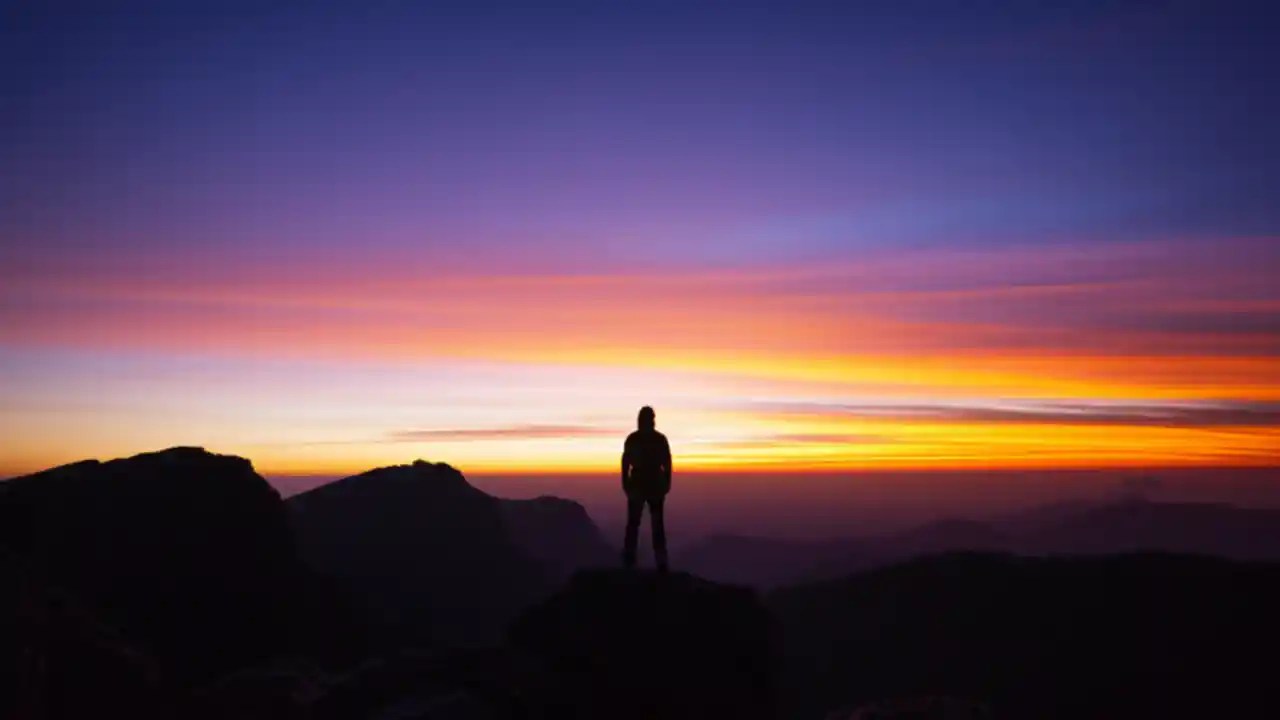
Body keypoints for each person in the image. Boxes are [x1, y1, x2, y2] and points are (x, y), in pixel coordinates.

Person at [621, 405, 672, 571]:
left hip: (643, 485)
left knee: (638, 524)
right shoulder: (658, 439)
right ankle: (658, 562)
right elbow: (667, 463)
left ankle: (632, 560)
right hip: (651, 486)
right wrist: (666, 483)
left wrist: (626, 483)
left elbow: (625, 463)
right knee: (651, 524)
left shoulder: (634, 439)